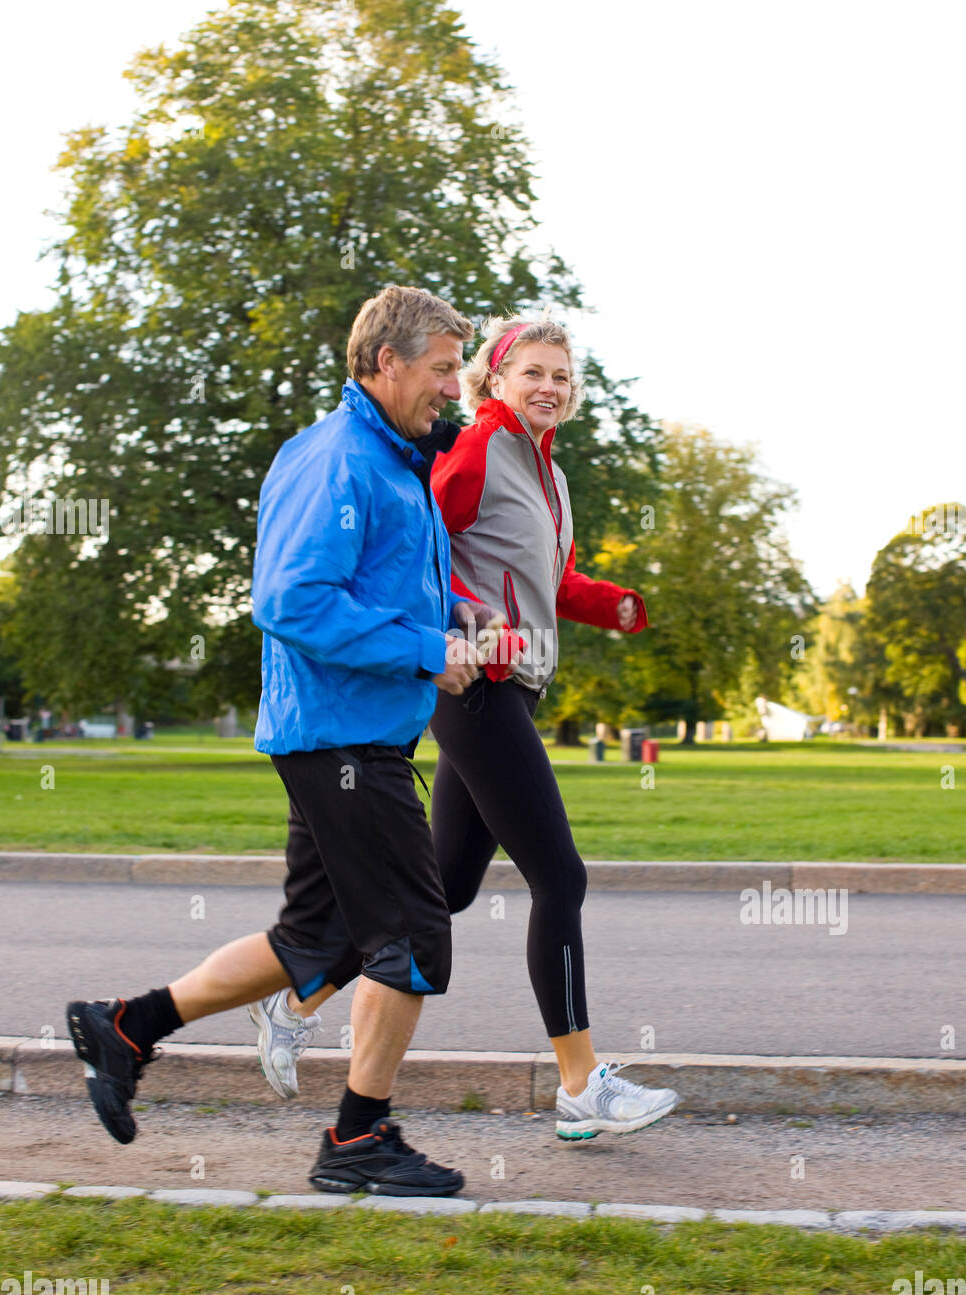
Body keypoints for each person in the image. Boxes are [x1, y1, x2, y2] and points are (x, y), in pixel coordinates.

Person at [67, 285, 491, 1195]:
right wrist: (426, 652)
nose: (454, 388)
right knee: (414, 937)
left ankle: (128, 1027)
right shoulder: (336, 458)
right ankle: (354, 1144)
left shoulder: (392, 459)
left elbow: (380, 580)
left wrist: (454, 614)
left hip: (355, 732)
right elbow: (291, 601)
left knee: (316, 938)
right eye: (443, 370)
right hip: (340, 740)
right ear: (387, 363)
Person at [253, 314, 678, 1142]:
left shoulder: (543, 469)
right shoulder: (479, 447)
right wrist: (460, 631)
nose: (549, 386)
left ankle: (297, 994)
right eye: (532, 372)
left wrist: (607, 603)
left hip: (510, 689)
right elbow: (416, 550)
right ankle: (581, 1086)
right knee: (561, 877)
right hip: (474, 686)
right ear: (493, 380)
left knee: (444, 890)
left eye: (562, 374)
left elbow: (543, 577)